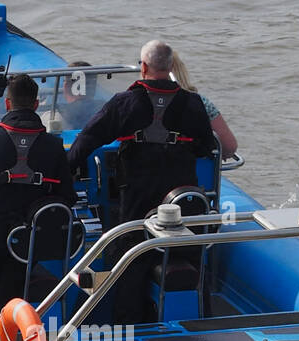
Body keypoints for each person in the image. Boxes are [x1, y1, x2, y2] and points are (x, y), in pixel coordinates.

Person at [66, 40, 215, 322]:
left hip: (137, 197)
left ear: (143, 67)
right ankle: (200, 320)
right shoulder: (193, 103)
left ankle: (129, 326)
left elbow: (88, 139)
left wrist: (65, 170)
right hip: (180, 199)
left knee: (130, 259)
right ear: (171, 67)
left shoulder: (125, 102)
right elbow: (207, 147)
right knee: (189, 255)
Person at [0, 73, 75, 335]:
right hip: (31, 239)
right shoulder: (54, 146)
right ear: (35, 105)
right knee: (12, 297)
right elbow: (66, 196)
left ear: (7, 104)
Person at [170, 49, 238, 156]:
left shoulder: (135, 100)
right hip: (192, 169)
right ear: (180, 71)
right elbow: (229, 147)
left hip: (145, 169)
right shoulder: (201, 103)